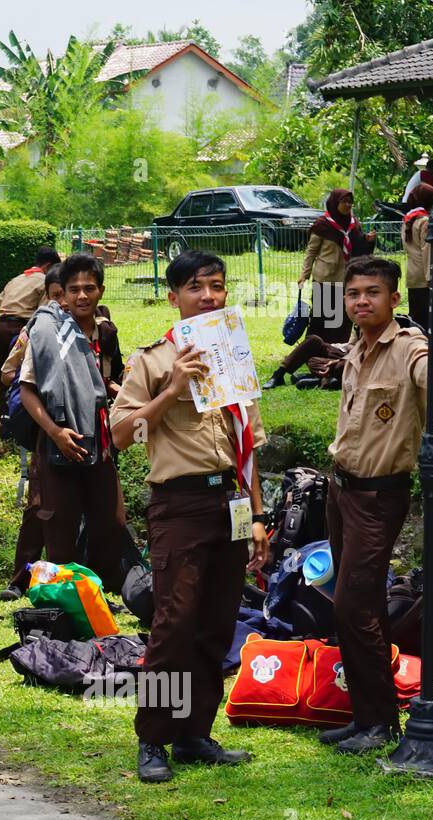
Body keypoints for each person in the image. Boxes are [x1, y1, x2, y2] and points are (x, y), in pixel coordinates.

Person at [110, 251, 267, 784]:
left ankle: (196, 732)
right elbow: (119, 436)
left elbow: (249, 446)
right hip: (178, 505)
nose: (208, 296)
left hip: (230, 501)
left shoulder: (233, 356)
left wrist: (260, 516)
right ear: (174, 296)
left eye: (217, 286)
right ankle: (153, 738)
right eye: (196, 287)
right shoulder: (152, 361)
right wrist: (171, 390)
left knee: (216, 623)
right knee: (173, 625)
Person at [318, 257, 427, 754]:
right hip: (341, 489)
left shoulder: (409, 349)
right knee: (358, 606)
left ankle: (380, 722)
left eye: (373, 293)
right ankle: (366, 715)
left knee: (353, 605)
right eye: (354, 293)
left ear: (394, 299)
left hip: (379, 494)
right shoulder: (357, 348)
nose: (362, 301)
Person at [15, 253, 128, 597]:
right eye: (74, 289)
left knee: (106, 523)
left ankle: (99, 594)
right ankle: (63, 598)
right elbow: (27, 389)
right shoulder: (48, 332)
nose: (82, 296)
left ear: (101, 291)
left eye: (89, 288)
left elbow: (110, 381)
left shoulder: (105, 334)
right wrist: (55, 432)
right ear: (61, 294)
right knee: (59, 525)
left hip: (101, 445)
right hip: (58, 444)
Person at [266, 189, 376, 389]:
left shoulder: (353, 224)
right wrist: (304, 274)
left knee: (342, 323)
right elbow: (311, 252)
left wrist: (368, 241)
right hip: (325, 281)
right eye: (344, 202)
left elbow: (360, 250)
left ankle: (320, 374)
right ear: (335, 203)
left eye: (351, 203)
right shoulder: (322, 226)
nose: (348, 206)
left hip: (347, 281)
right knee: (321, 323)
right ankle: (315, 366)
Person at [0, 246, 62, 418]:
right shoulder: (45, 281)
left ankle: (3, 416)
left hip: (1, 329)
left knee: (3, 370)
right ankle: (20, 415)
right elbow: (43, 313)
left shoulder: (16, 279)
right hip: (21, 330)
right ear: (48, 267)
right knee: (23, 374)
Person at [402, 184, 433, 331]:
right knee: (426, 319)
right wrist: (431, 277)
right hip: (424, 276)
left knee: (416, 317)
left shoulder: (408, 220)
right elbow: (427, 250)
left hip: (412, 275)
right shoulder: (424, 221)